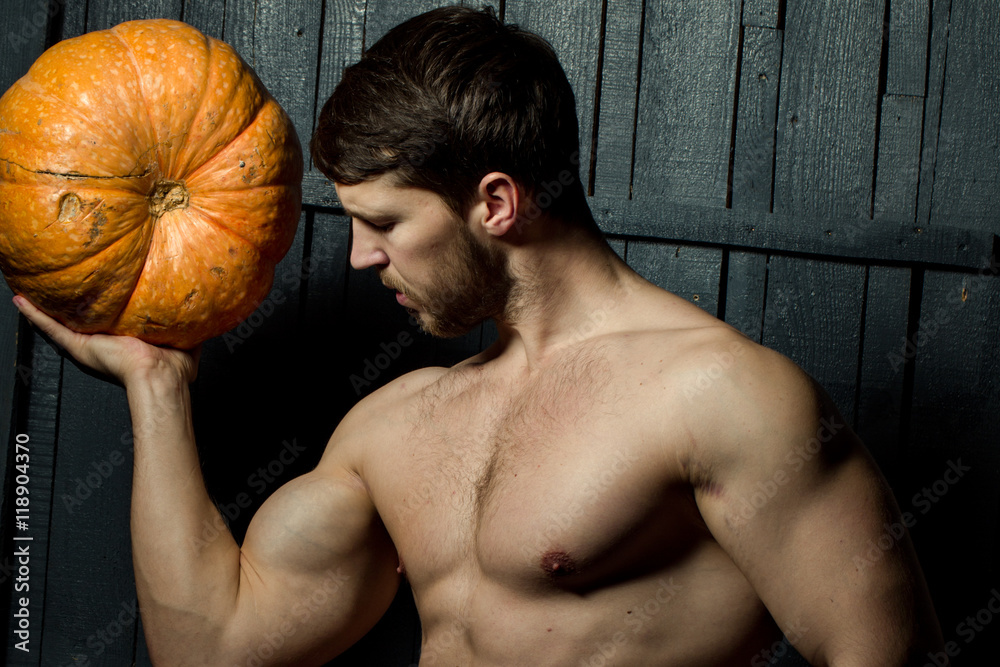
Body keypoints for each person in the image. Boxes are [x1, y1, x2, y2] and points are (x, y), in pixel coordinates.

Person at [14, 6, 945, 666]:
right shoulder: (395, 426)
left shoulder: (724, 397)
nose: (357, 259)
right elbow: (214, 649)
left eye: (383, 222)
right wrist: (157, 383)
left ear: (494, 202)